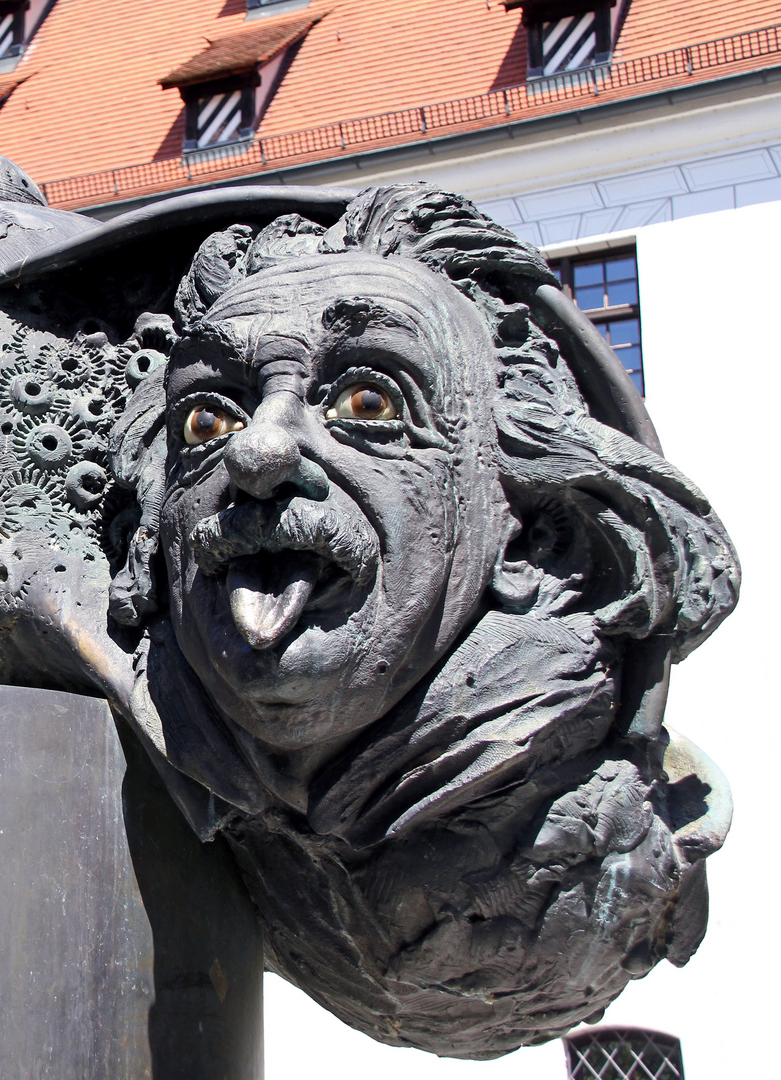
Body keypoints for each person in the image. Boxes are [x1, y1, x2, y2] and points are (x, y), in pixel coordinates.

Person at [103, 184, 738, 1056]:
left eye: (368, 405)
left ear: (529, 525)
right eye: (210, 415)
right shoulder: (168, 753)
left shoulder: (578, 857)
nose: (256, 451)